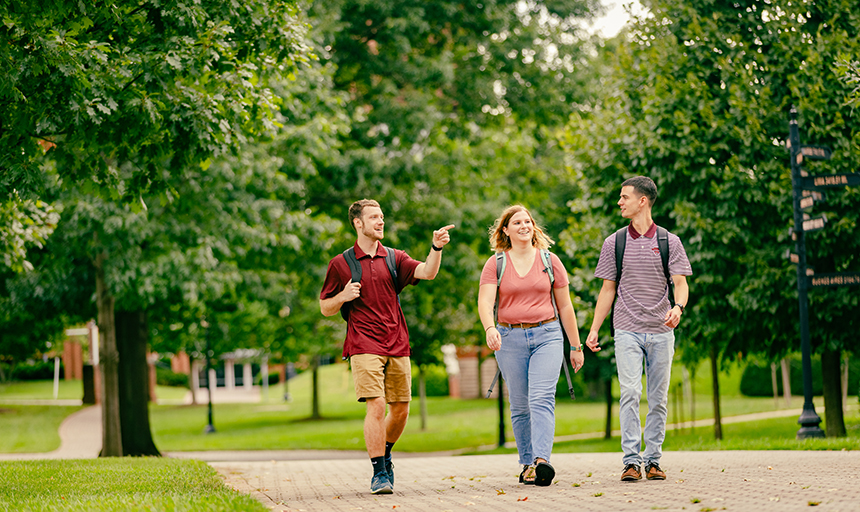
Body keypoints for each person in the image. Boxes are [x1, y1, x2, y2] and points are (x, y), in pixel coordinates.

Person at [319, 199, 454, 495]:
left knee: (402, 409)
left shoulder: (394, 257)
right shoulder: (341, 264)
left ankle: (386, 452)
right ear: (358, 223)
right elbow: (325, 307)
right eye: (374, 218)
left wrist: (436, 247)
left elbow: (427, 272)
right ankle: (379, 471)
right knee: (377, 404)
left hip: (397, 341)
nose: (381, 222)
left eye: (382, 217)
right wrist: (342, 296)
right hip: (363, 343)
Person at [585, 176, 692, 482]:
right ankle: (632, 461)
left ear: (642, 201)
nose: (619, 202)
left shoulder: (670, 242)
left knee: (658, 398)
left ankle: (653, 459)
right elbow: (607, 290)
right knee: (630, 391)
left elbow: (681, 285)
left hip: (660, 331)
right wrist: (594, 329)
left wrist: (678, 308)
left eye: (624, 197)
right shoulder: (614, 242)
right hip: (627, 329)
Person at [477, 205, 584, 487]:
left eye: (528, 221)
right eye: (517, 222)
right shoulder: (496, 263)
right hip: (509, 338)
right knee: (520, 404)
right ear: (505, 230)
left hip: (547, 334)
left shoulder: (550, 260)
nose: (524, 225)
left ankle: (542, 461)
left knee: (542, 398)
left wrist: (576, 345)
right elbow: (485, 302)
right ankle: (526, 464)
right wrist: (490, 328)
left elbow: (565, 305)